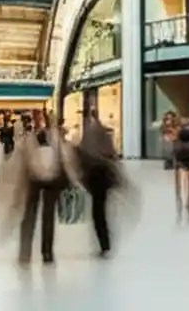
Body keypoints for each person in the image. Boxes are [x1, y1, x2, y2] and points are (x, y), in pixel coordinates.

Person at [13, 110, 76, 265]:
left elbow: (64, 157)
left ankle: (40, 252)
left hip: (48, 179)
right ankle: (31, 252)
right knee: (33, 215)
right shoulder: (34, 137)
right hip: (37, 178)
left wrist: (72, 177)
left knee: (43, 216)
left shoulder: (50, 137)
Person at [77, 110, 120, 257]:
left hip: (95, 177)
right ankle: (105, 244)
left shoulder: (89, 135)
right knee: (100, 211)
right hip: (104, 178)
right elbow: (112, 155)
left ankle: (104, 244)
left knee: (97, 213)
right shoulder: (104, 135)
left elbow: (84, 155)